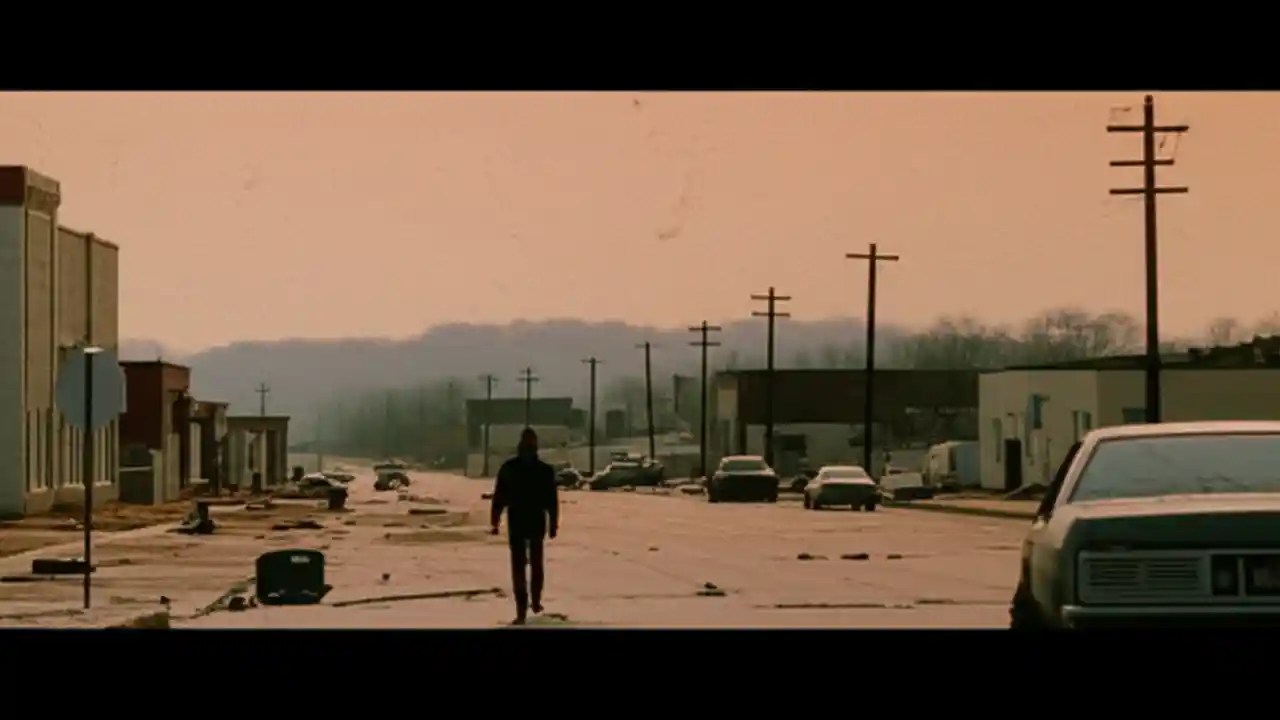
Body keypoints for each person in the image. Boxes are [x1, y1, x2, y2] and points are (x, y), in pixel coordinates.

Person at [490, 427, 559, 625]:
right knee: (535, 565)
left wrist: (495, 519)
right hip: (534, 522)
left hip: (519, 521)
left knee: (519, 567)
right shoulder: (543, 470)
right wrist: (553, 524)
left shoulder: (510, 467)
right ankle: (534, 602)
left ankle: (523, 608)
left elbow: (499, 497)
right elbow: (551, 501)